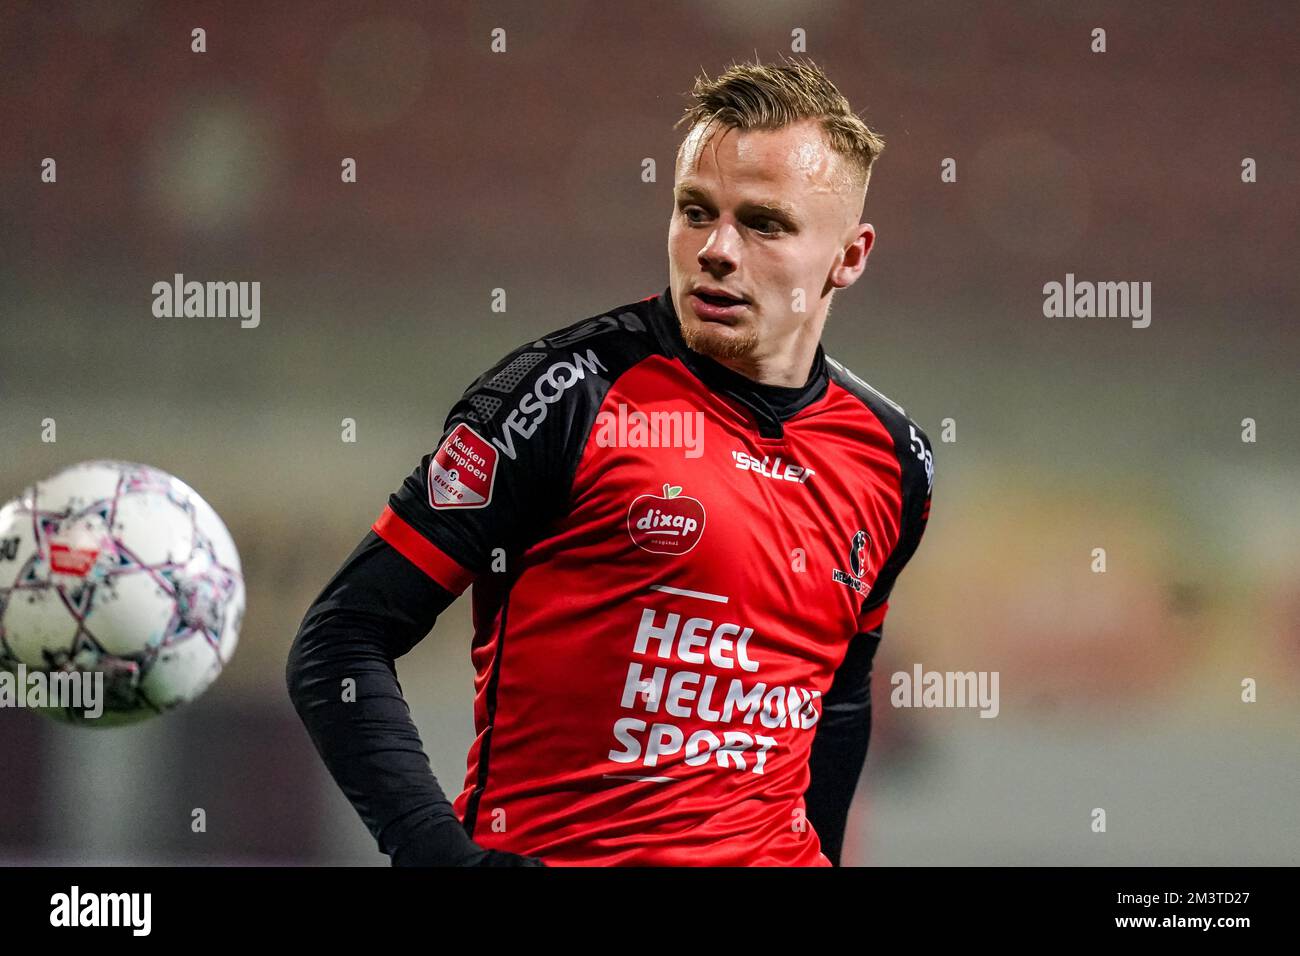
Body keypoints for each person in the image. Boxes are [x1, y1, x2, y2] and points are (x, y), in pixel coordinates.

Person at [287, 56, 934, 866]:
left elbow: (836, 697)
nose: (716, 250)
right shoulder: (562, 394)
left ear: (850, 255)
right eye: (695, 211)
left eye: (764, 223)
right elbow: (340, 642)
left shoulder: (893, 457)